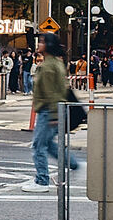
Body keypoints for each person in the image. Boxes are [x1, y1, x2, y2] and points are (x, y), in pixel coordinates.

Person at [26, 34, 81, 191]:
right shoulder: (55, 63)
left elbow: (53, 93)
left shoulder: (49, 66)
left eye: (42, 42)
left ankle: (42, 180)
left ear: (48, 45)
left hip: (48, 112)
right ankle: (75, 165)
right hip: (51, 111)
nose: (39, 44)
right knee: (48, 145)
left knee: (38, 146)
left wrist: (54, 116)